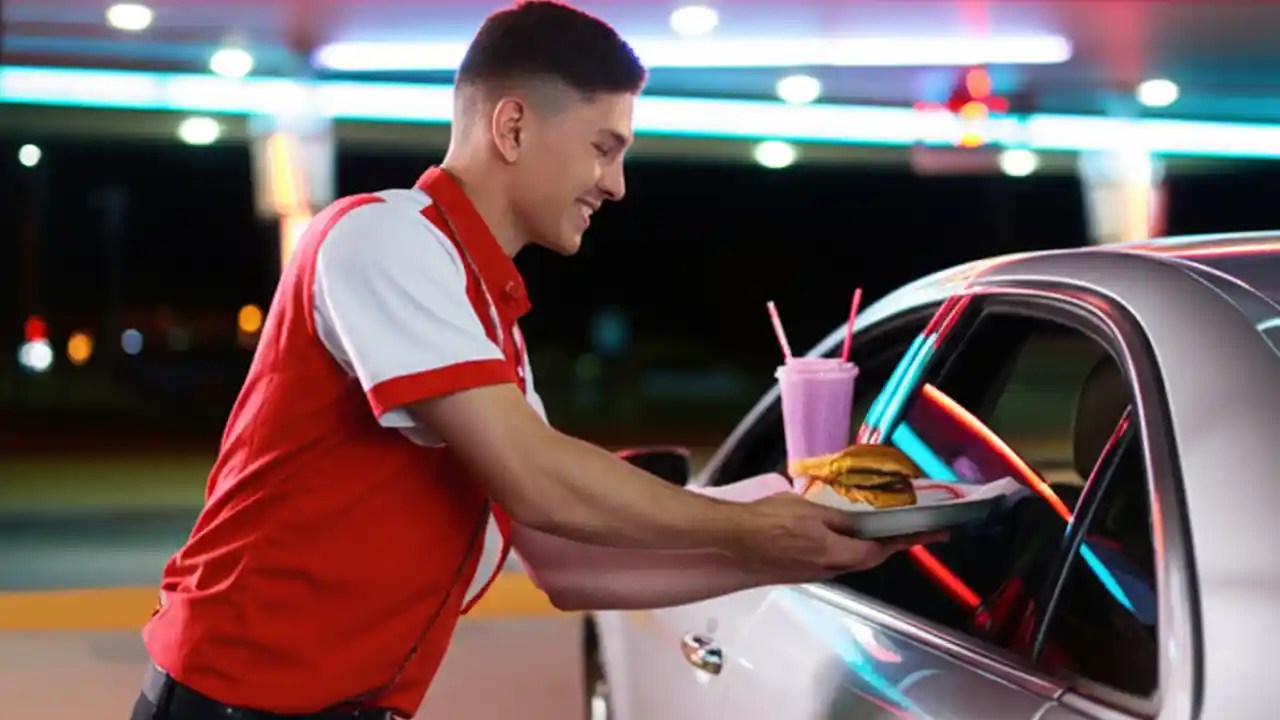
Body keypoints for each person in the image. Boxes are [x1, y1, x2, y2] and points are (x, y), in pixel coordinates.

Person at [130, 3, 940, 719]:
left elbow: (567, 563)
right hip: (234, 706)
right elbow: (538, 480)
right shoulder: (380, 238)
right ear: (512, 127)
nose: (616, 184)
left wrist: (788, 554)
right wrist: (755, 524)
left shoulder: (489, 320)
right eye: (603, 146)